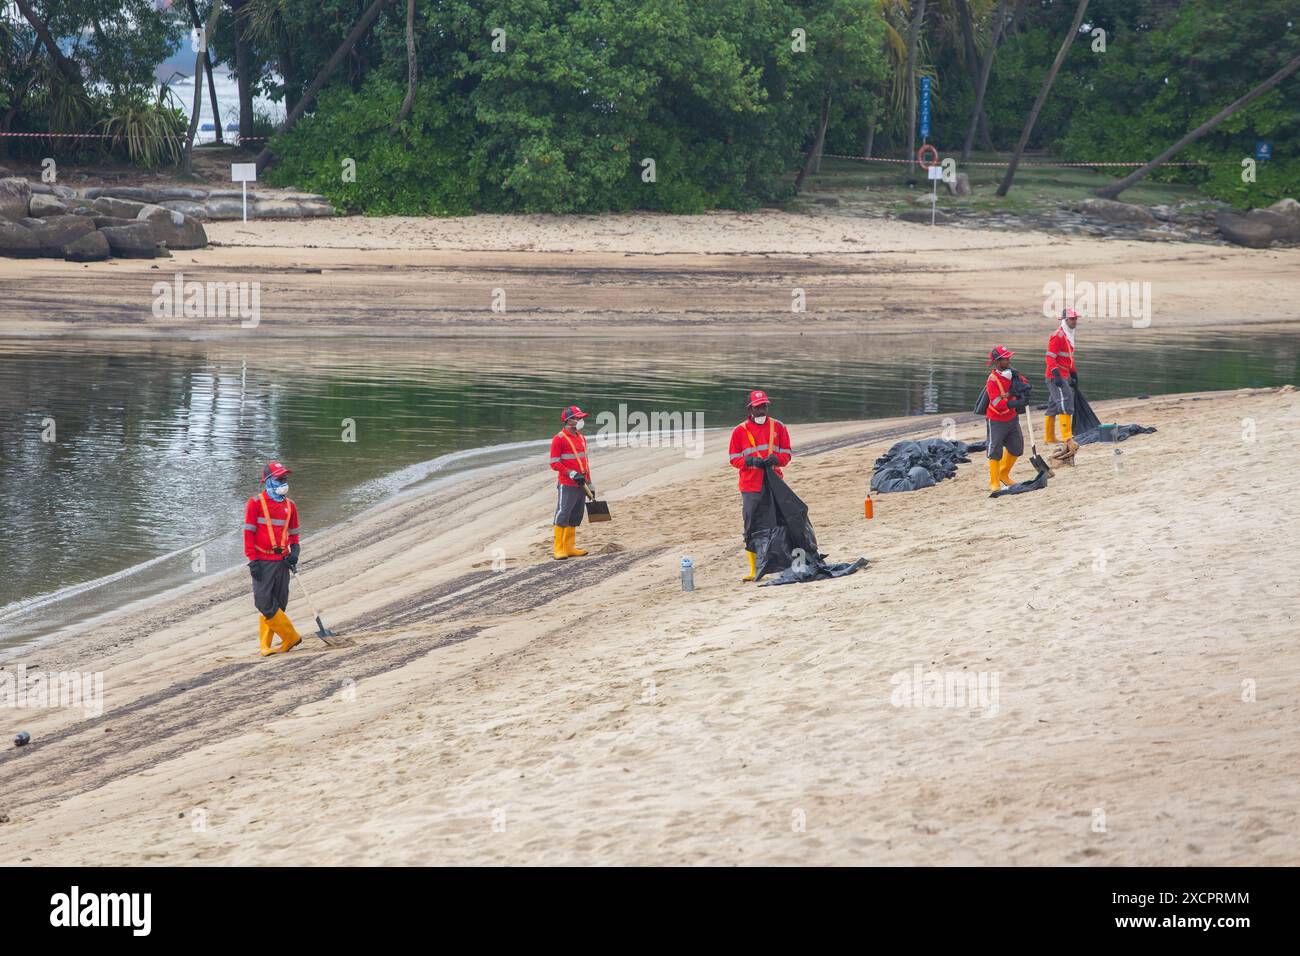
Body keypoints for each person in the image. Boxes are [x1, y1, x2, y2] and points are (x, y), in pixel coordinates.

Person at [727, 389, 792, 581]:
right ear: (750, 409)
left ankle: (780, 565)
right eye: (758, 407)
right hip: (750, 485)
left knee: (778, 524)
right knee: (751, 526)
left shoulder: (778, 427)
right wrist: (749, 462)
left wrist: (776, 459)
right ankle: (754, 570)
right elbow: (733, 458)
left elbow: (787, 455)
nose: (762, 410)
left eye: (764, 406)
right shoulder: (739, 431)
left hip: (774, 483)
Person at [242, 461, 303, 657]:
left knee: (279, 603)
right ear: (268, 481)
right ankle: (291, 636)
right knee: (263, 602)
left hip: (282, 560)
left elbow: (293, 534)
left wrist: (295, 551)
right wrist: (252, 560)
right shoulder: (255, 503)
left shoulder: (290, 506)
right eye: (280, 478)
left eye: (285, 478)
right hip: (262, 560)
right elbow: (248, 533)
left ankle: (265, 646)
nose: (284, 482)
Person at [549, 405, 594, 560]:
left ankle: (569, 548)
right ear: (568, 420)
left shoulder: (581, 438)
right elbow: (554, 463)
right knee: (563, 514)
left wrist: (590, 483)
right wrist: (571, 473)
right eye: (578, 418)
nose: (581, 420)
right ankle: (558, 549)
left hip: (582, 484)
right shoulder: (559, 439)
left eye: (581, 418)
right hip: (567, 484)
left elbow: (585, 462)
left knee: (576, 515)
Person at [983, 347, 1030, 492]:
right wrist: (1014, 403)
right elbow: (997, 403)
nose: (1009, 360)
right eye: (1005, 358)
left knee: (1017, 448)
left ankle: (1004, 473)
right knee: (995, 450)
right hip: (996, 420)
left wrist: (1026, 389)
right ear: (997, 362)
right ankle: (994, 482)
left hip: (1012, 418)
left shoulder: (1013, 374)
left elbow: (1024, 384)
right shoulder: (992, 380)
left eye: (1009, 358)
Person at [1045, 307, 1080, 457]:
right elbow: (1049, 357)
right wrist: (1056, 374)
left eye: (1075, 319)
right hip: (1056, 376)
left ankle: (1049, 437)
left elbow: (1069, 358)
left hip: (1064, 374)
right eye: (1072, 319)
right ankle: (1067, 438)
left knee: (1053, 405)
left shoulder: (1069, 336)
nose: (1074, 321)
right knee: (1066, 403)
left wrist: (1073, 373)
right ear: (1065, 320)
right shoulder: (1058, 335)